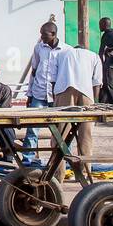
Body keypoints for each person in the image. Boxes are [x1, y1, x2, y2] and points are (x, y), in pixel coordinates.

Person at [53, 45, 103, 178]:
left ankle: (59, 174)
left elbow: (53, 79)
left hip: (64, 90)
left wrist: (55, 100)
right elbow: (97, 82)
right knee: (86, 135)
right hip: (86, 93)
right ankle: (85, 172)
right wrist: (94, 103)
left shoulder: (61, 54)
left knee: (60, 136)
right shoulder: (93, 56)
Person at [24, 22, 69, 166]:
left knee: (63, 130)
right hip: (39, 93)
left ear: (53, 34)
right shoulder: (38, 48)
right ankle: (28, 160)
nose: (41, 37)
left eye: (44, 34)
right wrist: (29, 94)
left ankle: (64, 160)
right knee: (32, 128)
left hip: (57, 96)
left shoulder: (66, 50)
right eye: (41, 34)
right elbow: (34, 71)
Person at [98, 17, 113, 104]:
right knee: (104, 86)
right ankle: (103, 104)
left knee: (108, 85)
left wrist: (108, 49)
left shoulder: (110, 33)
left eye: (100, 24)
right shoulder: (107, 34)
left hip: (110, 64)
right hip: (106, 65)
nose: (99, 26)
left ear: (104, 24)